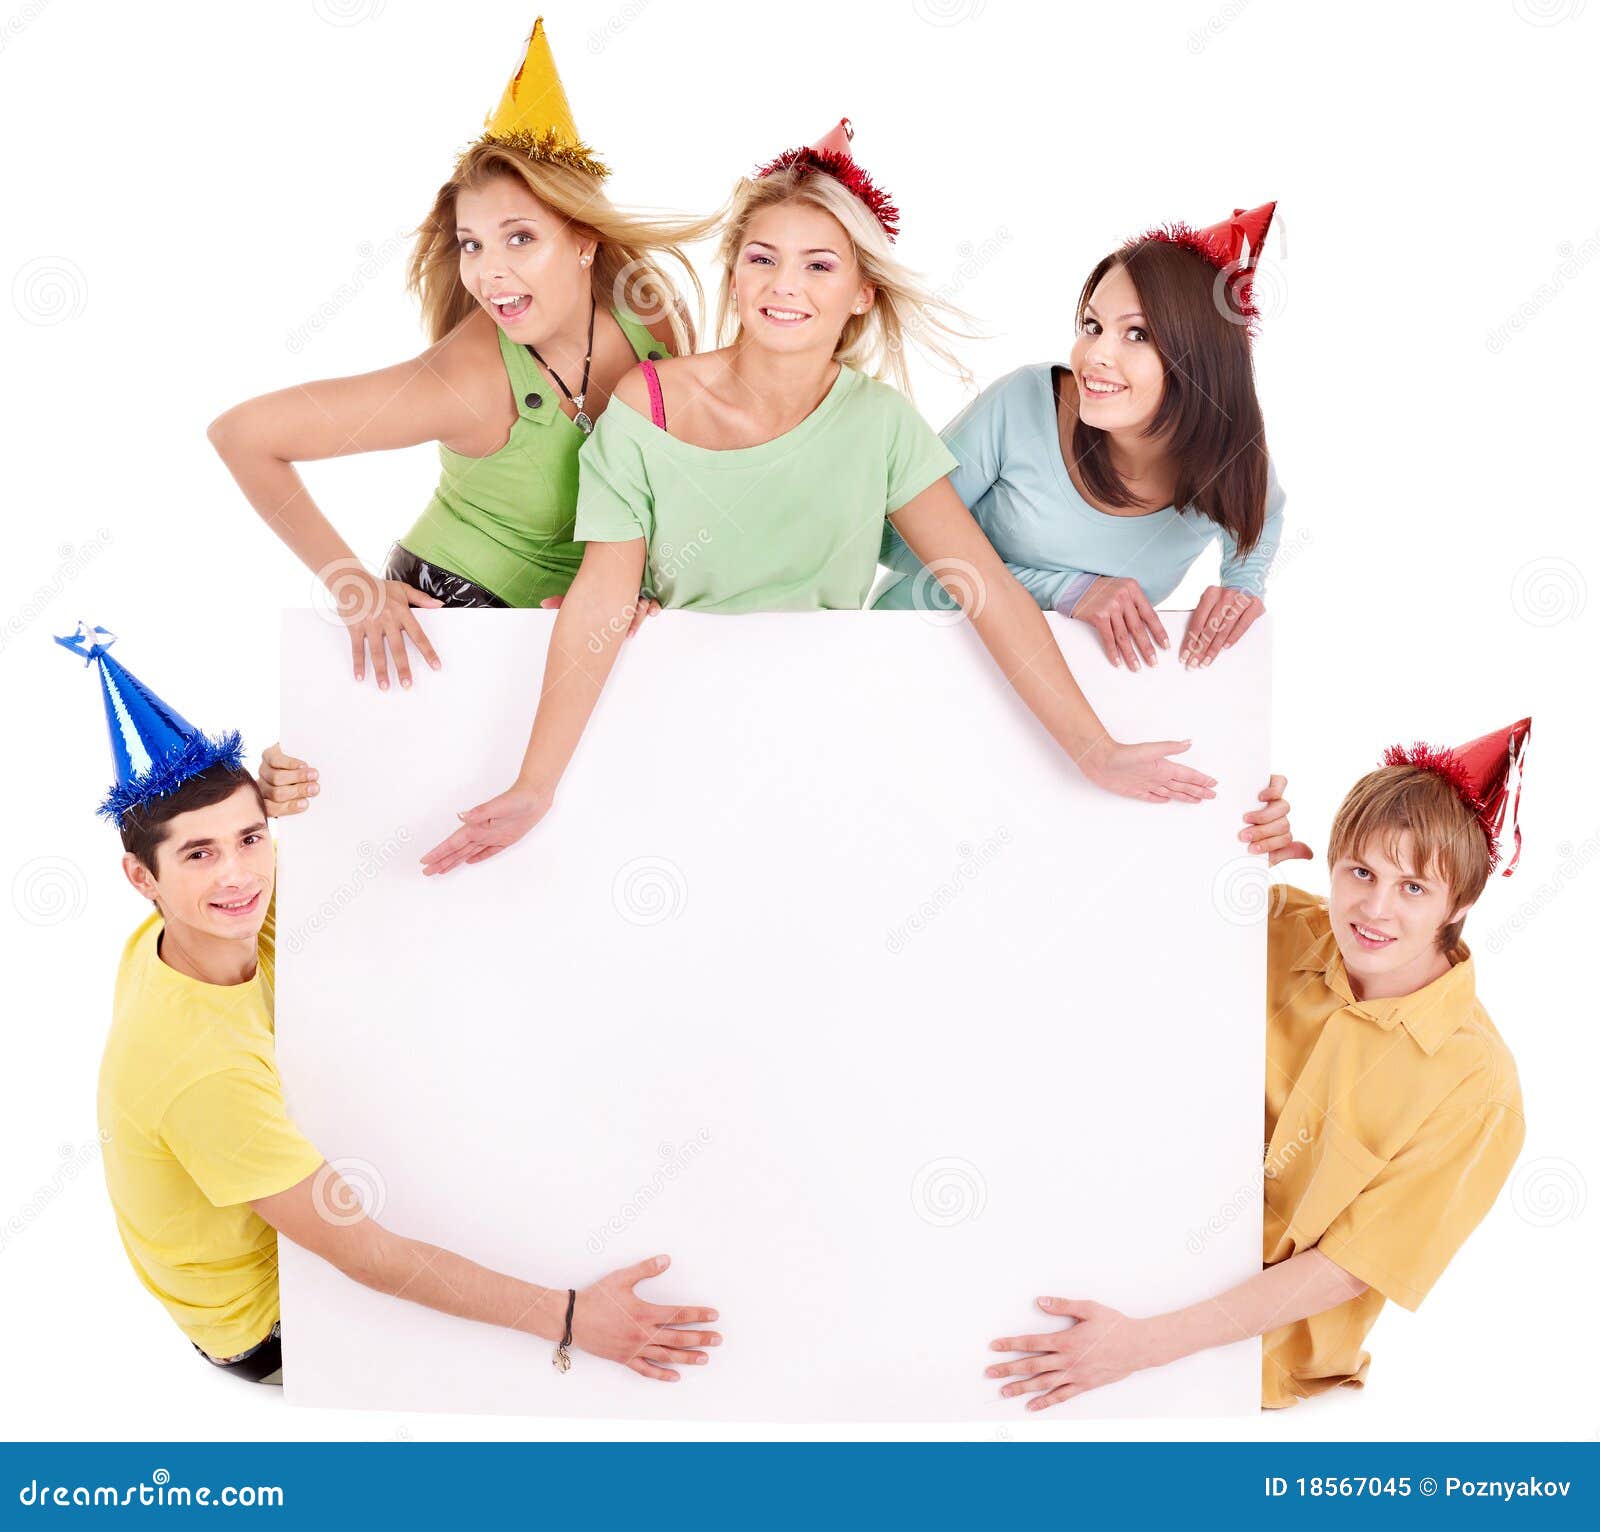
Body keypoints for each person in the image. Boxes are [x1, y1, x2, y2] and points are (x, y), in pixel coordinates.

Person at [419, 119, 1220, 876]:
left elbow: (984, 588)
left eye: (819, 265)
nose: (784, 286)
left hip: (825, 733)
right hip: (667, 721)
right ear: (734, 272)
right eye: (762, 258)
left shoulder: (879, 427)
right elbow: (601, 596)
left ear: (862, 292)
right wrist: (536, 784)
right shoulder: (646, 404)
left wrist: (1095, 750)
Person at [64, 622, 720, 1384]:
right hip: (263, 1322)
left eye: (249, 838)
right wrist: (572, 1317)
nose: (241, 876)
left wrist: (287, 768)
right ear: (141, 881)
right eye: (199, 855)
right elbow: (364, 1254)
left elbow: (293, 834)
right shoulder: (199, 1068)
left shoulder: (198, 926)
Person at [984, 720, 1530, 1410]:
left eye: (1413, 888)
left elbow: (1345, 1269)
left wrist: (1140, 1347)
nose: (1373, 908)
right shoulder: (1272, 924)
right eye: (1359, 871)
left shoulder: (1477, 1089)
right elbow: (1116, 924)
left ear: (1461, 905)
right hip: (1119, 1260)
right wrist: (1229, 853)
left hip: (1251, 1369)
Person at [207, 18, 691, 690]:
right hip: (448, 618)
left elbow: (684, 472)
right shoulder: (468, 376)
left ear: (584, 241)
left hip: (583, 628)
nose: (489, 275)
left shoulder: (649, 316)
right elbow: (242, 434)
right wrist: (353, 588)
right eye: (472, 244)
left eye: (519, 238)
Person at [874, 204, 1285, 673]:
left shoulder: (1230, 460)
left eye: (1137, 334)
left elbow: (1264, 514)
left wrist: (1244, 585)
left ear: (1203, 362)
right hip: (918, 651)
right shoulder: (1023, 404)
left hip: (1071, 691)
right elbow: (893, 543)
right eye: (1093, 327)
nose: (1096, 355)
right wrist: (1065, 589)